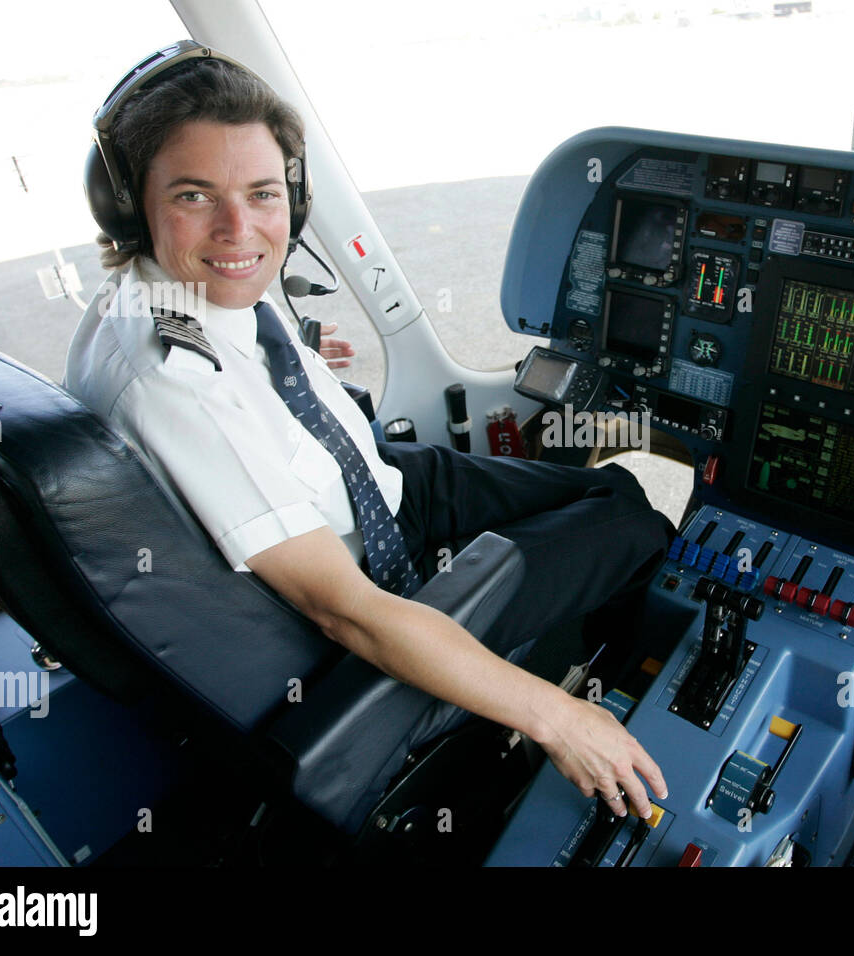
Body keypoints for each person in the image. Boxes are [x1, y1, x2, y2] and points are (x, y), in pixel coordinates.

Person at [65, 46, 673, 821]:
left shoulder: (176, 294)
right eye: (194, 194)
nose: (238, 228)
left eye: (262, 192)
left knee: (612, 486)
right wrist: (559, 720)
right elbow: (344, 609)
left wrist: (300, 363)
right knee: (631, 522)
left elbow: (245, 403)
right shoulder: (171, 377)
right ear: (127, 205)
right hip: (378, 575)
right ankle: (601, 701)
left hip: (374, 481)